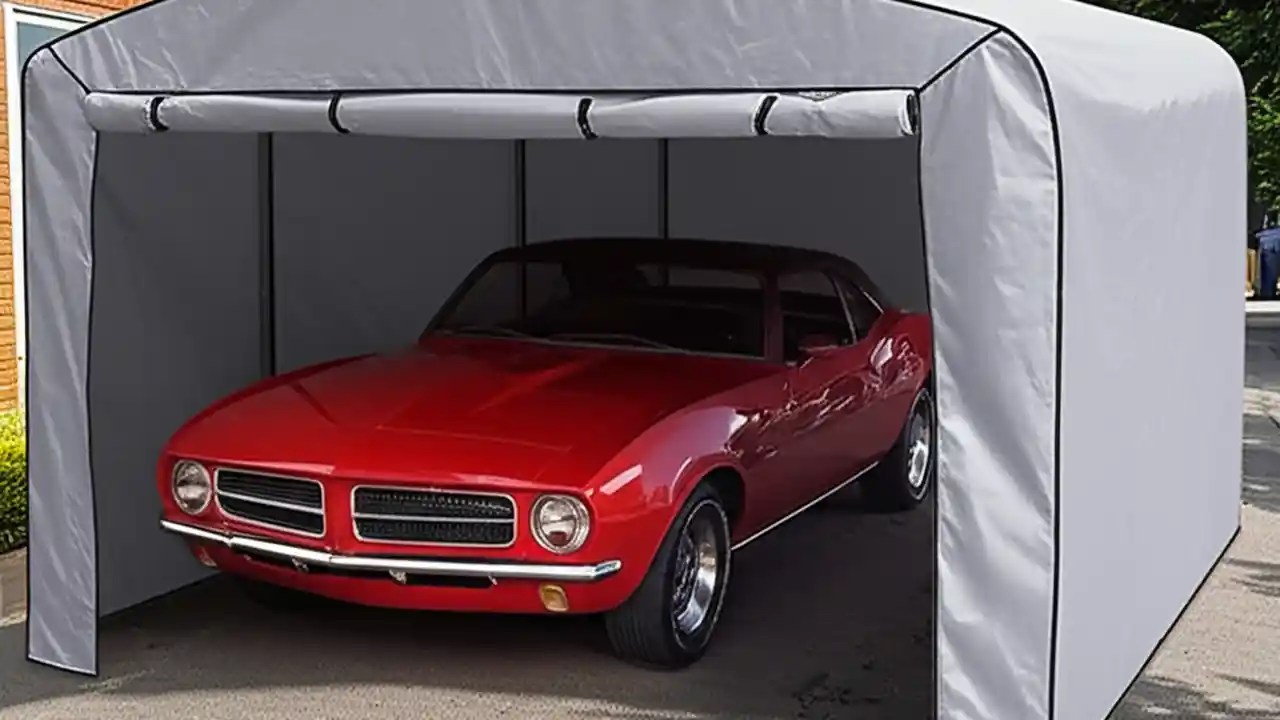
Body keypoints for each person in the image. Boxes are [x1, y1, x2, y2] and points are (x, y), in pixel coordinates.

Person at [1258, 211, 1280, 300]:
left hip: (1268, 247)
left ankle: (1268, 292)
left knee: (1269, 275)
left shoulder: (1264, 234)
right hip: (1271, 245)